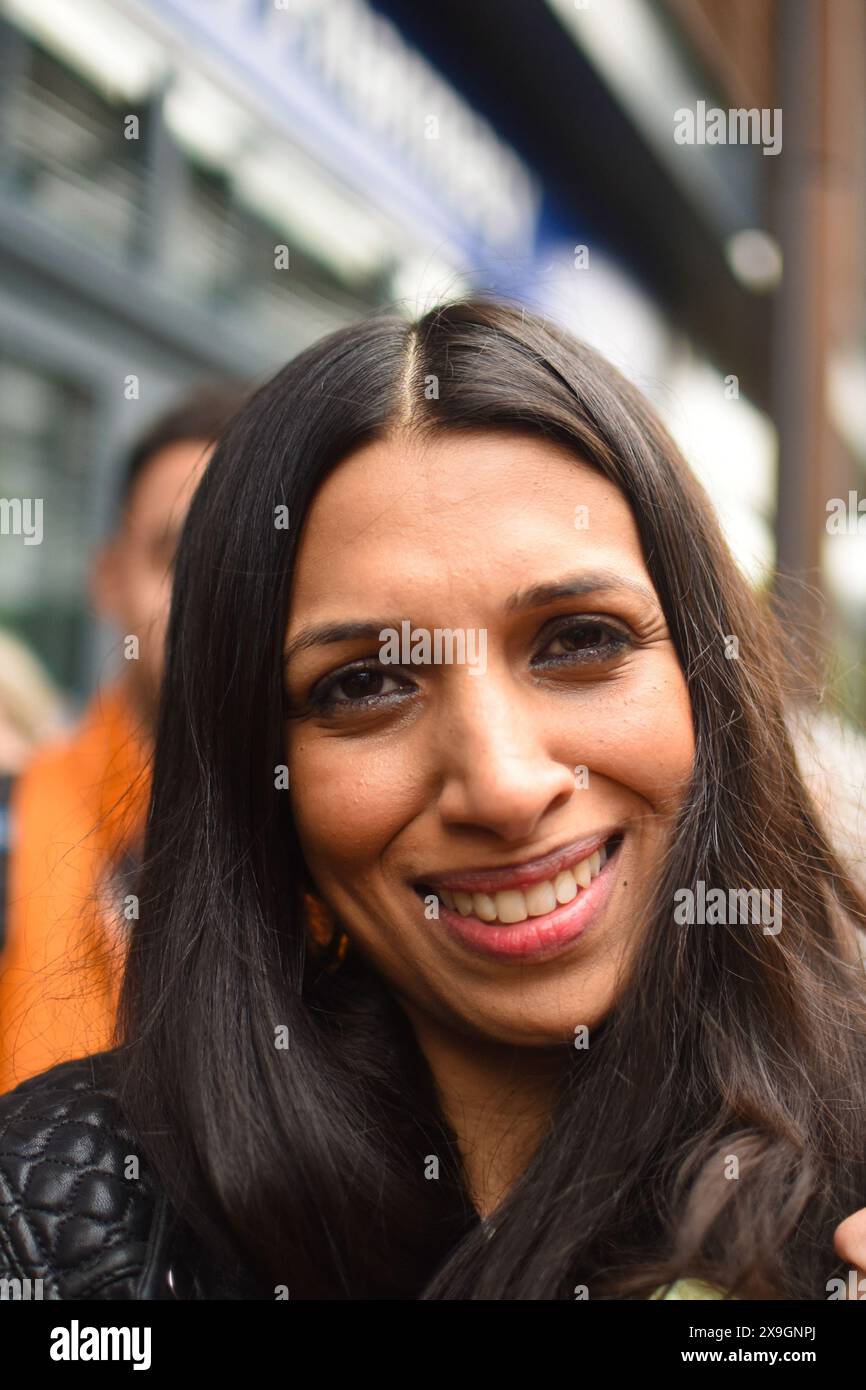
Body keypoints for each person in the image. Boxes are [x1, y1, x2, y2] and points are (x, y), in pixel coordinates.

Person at [1, 298, 865, 1301]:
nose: (500, 785)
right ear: (253, 769)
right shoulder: (57, 1219)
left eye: (578, 640)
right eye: (365, 683)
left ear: (709, 682)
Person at [0, 387, 245, 1092]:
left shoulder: (364, 853)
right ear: (108, 580)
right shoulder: (15, 831)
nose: (209, 593)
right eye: (176, 555)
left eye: (244, 556)